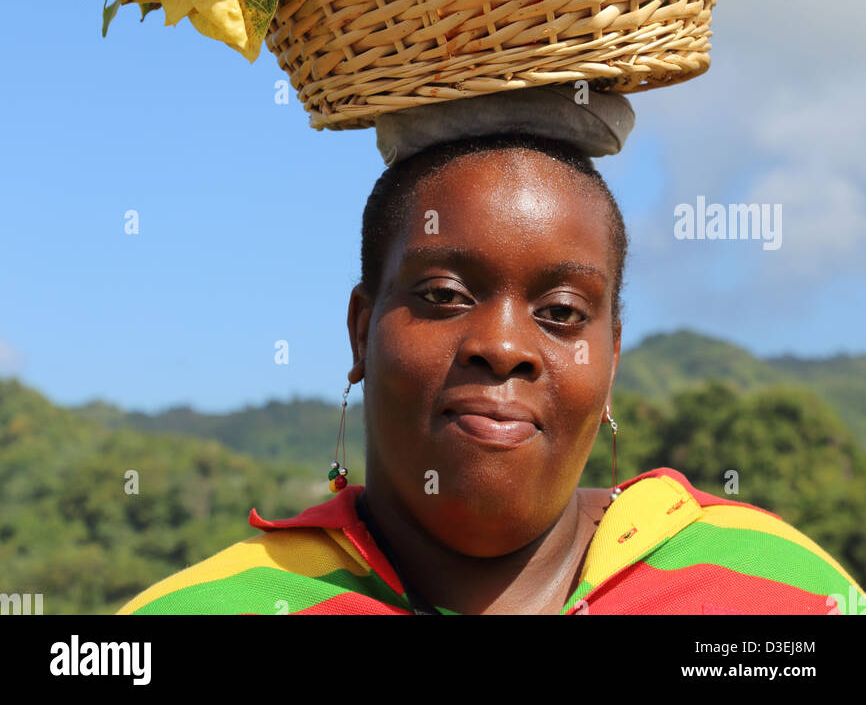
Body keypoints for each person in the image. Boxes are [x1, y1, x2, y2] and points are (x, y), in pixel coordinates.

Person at [117, 131, 863, 616]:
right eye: (443, 296)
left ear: (611, 364)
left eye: (564, 311)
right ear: (359, 330)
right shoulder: (214, 610)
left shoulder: (772, 591)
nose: (504, 346)